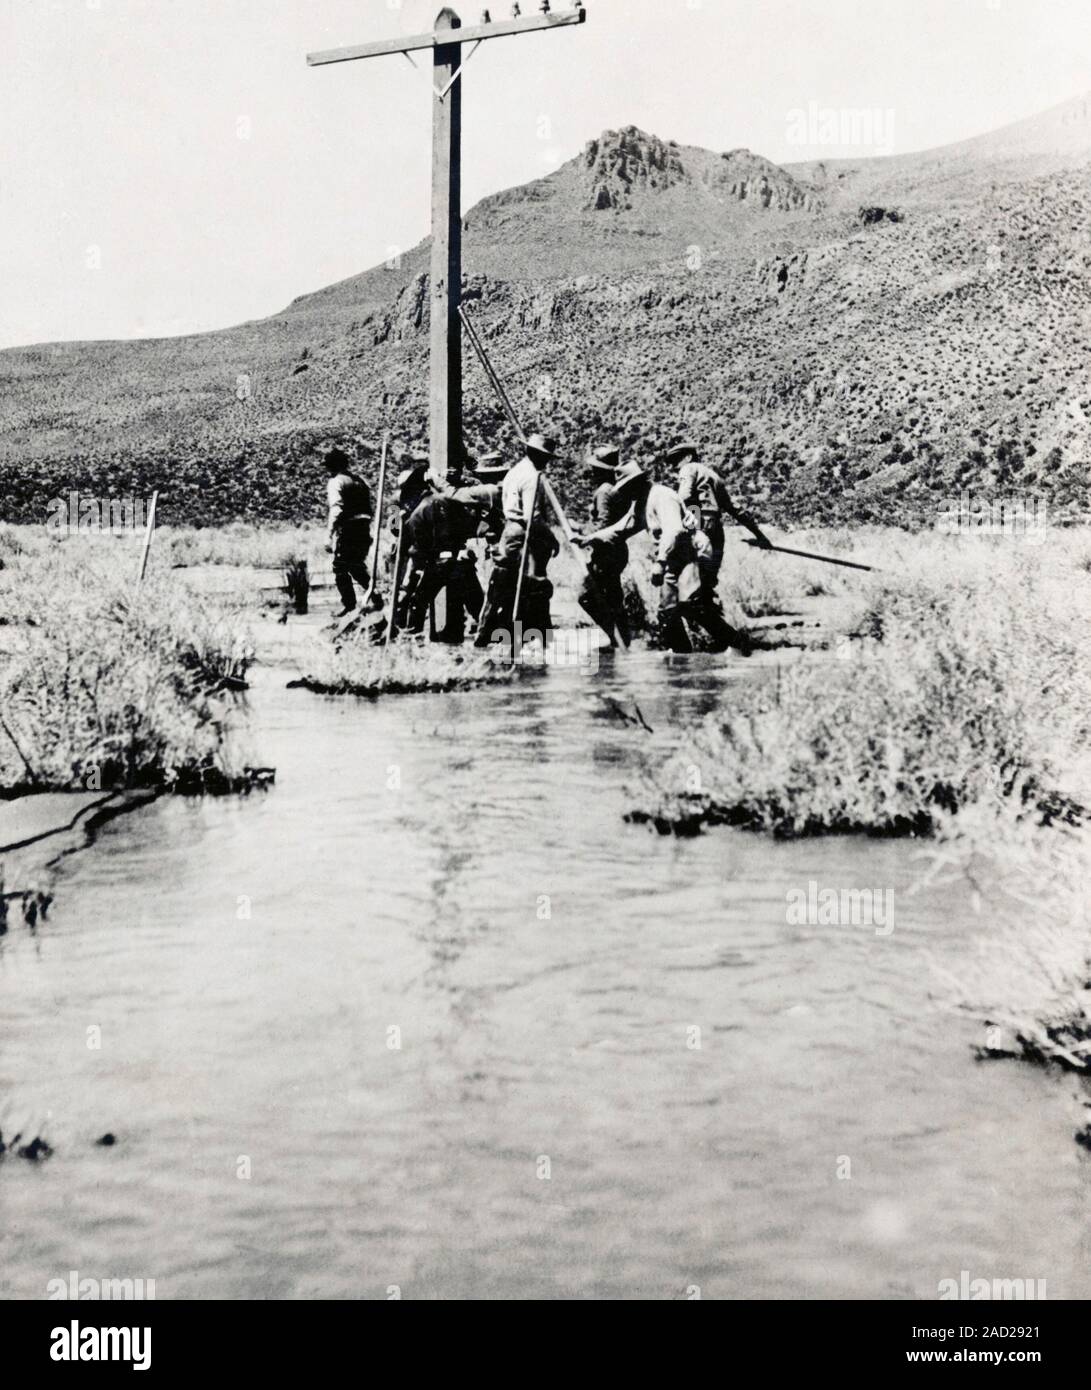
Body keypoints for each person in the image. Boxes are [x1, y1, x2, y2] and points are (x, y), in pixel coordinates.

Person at [581, 462, 750, 654]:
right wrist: (589, 538)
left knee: (691, 605)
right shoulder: (640, 501)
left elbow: (674, 531)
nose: (624, 493)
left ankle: (737, 643)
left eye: (626, 487)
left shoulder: (662, 496)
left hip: (691, 554)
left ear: (637, 483)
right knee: (667, 613)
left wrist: (660, 562)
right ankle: (682, 655)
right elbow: (622, 527)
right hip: (673, 559)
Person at [475, 434, 561, 648]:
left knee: (508, 587)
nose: (547, 462)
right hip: (525, 534)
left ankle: (495, 635)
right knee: (534, 588)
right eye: (546, 457)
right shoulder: (533, 477)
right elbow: (533, 516)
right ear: (538, 455)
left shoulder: (514, 472)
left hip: (510, 532)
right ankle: (533, 640)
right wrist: (552, 539)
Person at [401, 485, 503, 643]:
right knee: (419, 599)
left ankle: (489, 632)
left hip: (444, 559)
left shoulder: (453, 507)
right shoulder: (436, 509)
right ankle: (412, 636)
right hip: (438, 560)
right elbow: (431, 544)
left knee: (469, 597)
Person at [671, 443, 773, 595]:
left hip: (697, 519)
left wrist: (674, 520)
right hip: (716, 528)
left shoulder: (688, 468)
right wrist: (760, 536)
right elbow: (736, 509)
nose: (674, 466)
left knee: (688, 577)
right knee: (708, 581)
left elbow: (684, 497)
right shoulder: (714, 476)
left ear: (688, 457)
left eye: (676, 460)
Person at [577, 445, 631, 647]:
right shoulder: (615, 489)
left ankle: (616, 638)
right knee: (613, 596)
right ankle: (621, 639)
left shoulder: (604, 492)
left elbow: (604, 524)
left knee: (587, 596)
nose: (591, 473)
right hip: (615, 550)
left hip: (606, 552)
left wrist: (584, 535)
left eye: (595, 469)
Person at [321, 442, 374, 617]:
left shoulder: (336, 482)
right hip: (364, 528)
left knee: (341, 566)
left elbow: (336, 509)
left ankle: (350, 606)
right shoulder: (360, 481)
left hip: (349, 529)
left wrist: (329, 535)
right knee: (356, 565)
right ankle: (375, 594)